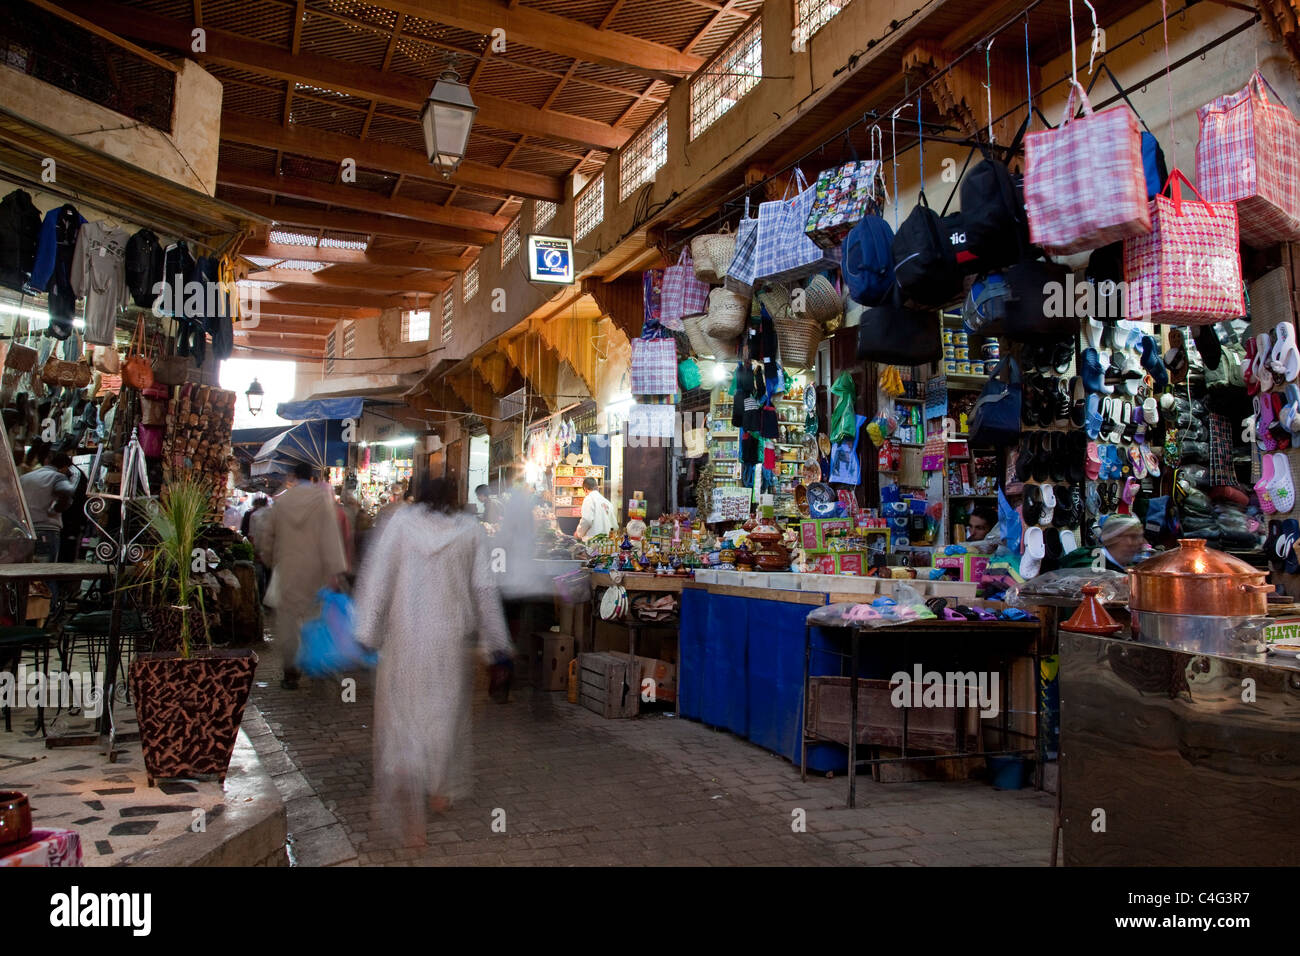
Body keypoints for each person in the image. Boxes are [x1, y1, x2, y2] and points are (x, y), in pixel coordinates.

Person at [353, 477, 512, 846]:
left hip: (405, 640)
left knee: (405, 718)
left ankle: (413, 821)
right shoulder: (470, 529)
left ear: (418, 496)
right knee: (443, 717)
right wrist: (496, 645)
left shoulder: (400, 524)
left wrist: (366, 633)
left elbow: (377, 580)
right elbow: (485, 590)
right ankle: (439, 789)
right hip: (449, 641)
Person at [260, 462, 349, 689]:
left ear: (293, 477)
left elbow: (268, 537)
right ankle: (315, 666)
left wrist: (270, 561)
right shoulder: (322, 502)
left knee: (289, 623)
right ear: (312, 478)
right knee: (314, 619)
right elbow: (331, 537)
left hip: (288, 569)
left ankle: (290, 673)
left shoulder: (282, 502)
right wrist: (335, 571)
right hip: (316, 572)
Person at [20, 450, 76, 563]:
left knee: (23, 572)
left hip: (24, 530)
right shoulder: (58, 477)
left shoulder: (24, 477)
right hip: (46, 529)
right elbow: (68, 490)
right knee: (43, 574)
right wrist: (56, 508)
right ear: (64, 467)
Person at [1061, 514, 1148, 572]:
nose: (1141, 542)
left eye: (1141, 536)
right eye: (1133, 537)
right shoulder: (1090, 568)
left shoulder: (1128, 565)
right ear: (1112, 539)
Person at [573, 477, 614, 542]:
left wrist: (578, 533)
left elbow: (586, 520)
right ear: (597, 488)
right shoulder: (607, 502)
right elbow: (614, 525)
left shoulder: (589, 499)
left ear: (585, 489)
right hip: (606, 542)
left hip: (592, 541)